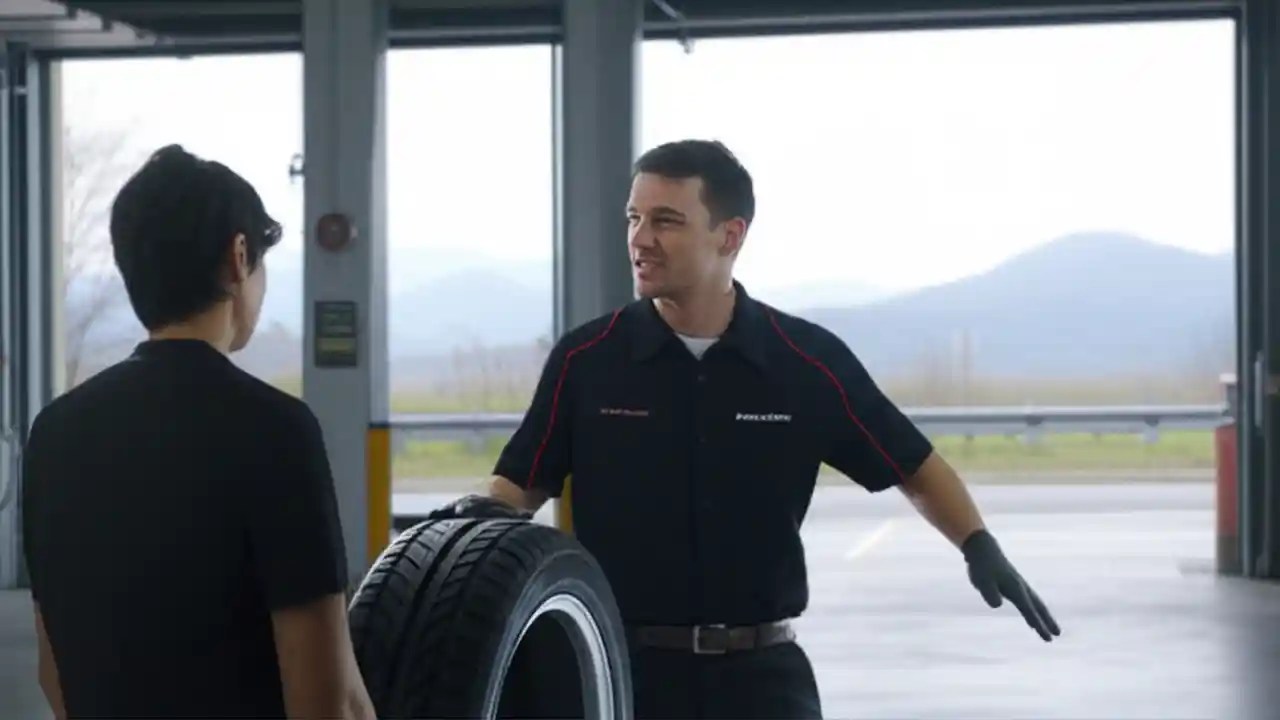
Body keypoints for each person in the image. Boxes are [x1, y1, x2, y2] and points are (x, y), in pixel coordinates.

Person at [430, 138, 1061, 719]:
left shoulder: (807, 363)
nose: (640, 239)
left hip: (763, 680)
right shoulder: (586, 360)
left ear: (730, 235)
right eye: (633, 218)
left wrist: (978, 544)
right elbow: (519, 483)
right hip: (621, 674)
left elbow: (913, 465)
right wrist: (473, 518)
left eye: (666, 221)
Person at [20, 145, 375, 719]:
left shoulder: (53, 434)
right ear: (239, 258)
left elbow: (53, 671)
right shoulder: (275, 430)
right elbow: (327, 701)